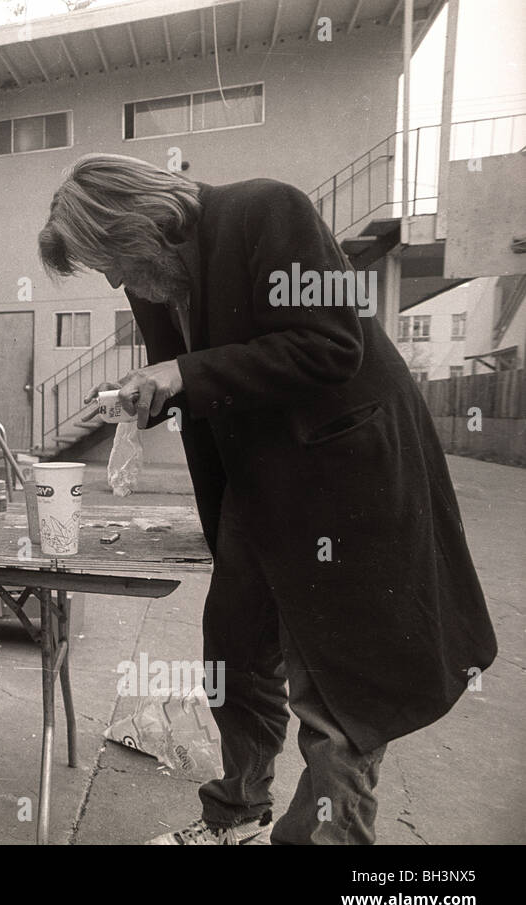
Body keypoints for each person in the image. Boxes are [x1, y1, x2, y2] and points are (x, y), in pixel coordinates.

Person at [38, 154, 497, 845]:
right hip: (255, 486)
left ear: (148, 220)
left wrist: (184, 373)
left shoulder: (267, 212)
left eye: (111, 257)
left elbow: (329, 345)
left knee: (337, 687)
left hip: (344, 483)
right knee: (234, 654)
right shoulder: (158, 273)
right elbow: (201, 379)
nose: (112, 278)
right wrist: (149, 394)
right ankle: (237, 814)